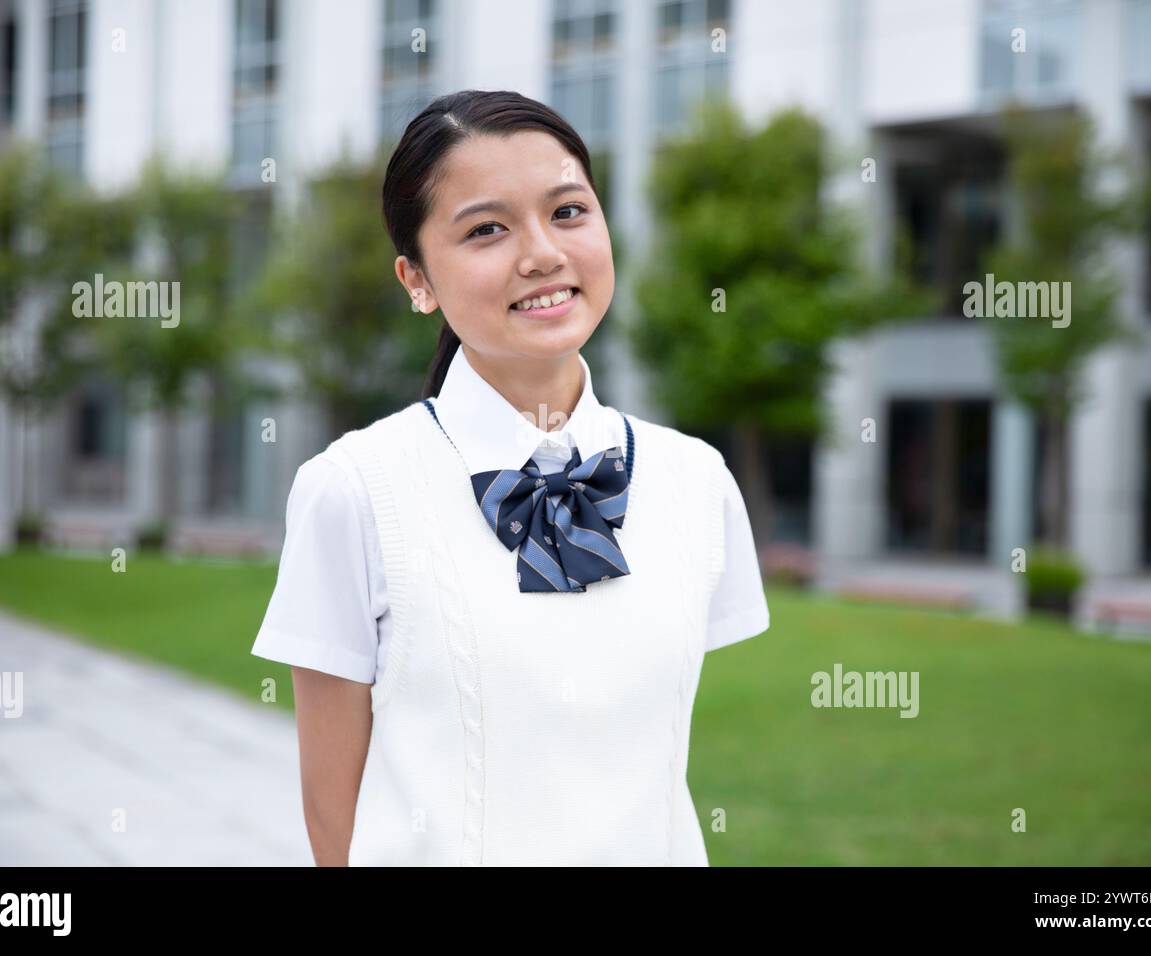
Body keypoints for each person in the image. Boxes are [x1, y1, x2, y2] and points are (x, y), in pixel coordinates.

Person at [251, 89, 771, 866]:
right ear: (416, 279)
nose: (542, 253)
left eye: (568, 212)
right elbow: (334, 816)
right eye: (487, 229)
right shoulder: (354, 490)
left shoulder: (697, 480)